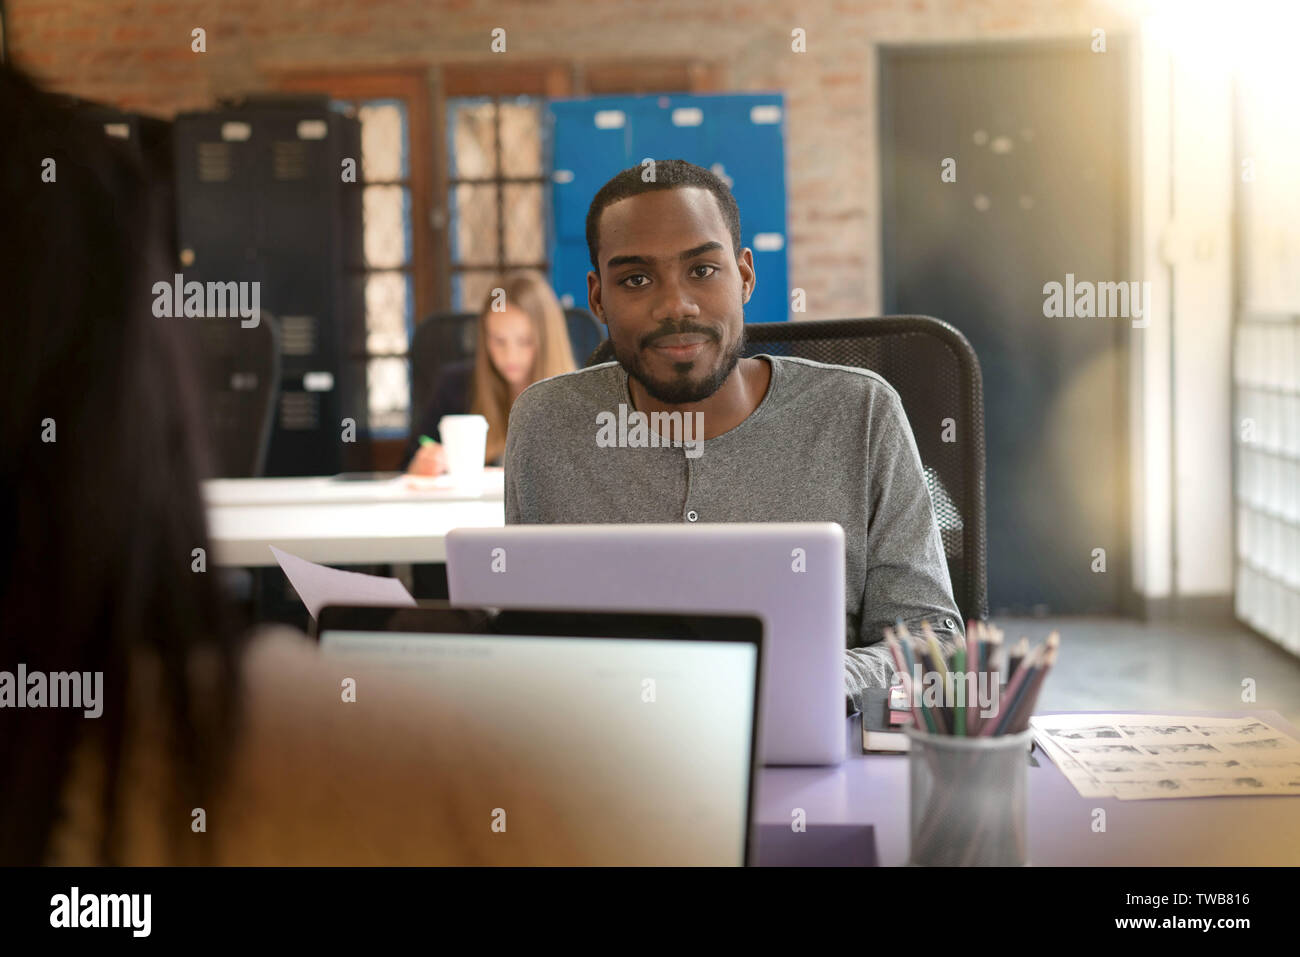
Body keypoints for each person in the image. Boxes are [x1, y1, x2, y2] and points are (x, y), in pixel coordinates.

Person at [0, 67, 617, 866]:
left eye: (519, 342)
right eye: (496, 343)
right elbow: (421, 453)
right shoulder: (385, 769)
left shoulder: (570, 403)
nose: (506, 355)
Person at [503, 160, 965, 714]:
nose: (676, 305)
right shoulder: (546, 425)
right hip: (605, 754)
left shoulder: (859, 412)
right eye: (636, 279)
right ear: (598, 298)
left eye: (702, 271)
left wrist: (803, 678)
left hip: (804, 753)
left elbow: (931, 639)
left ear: (744, 277)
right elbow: (523, 639)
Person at [405, 271, 575, 475]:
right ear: (484, 337)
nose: (510, 356)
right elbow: (411, 462)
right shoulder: (455, 387)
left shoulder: (578, 398)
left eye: (525, 341)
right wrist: (421, 465)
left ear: (548, 342)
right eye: (498, 341)